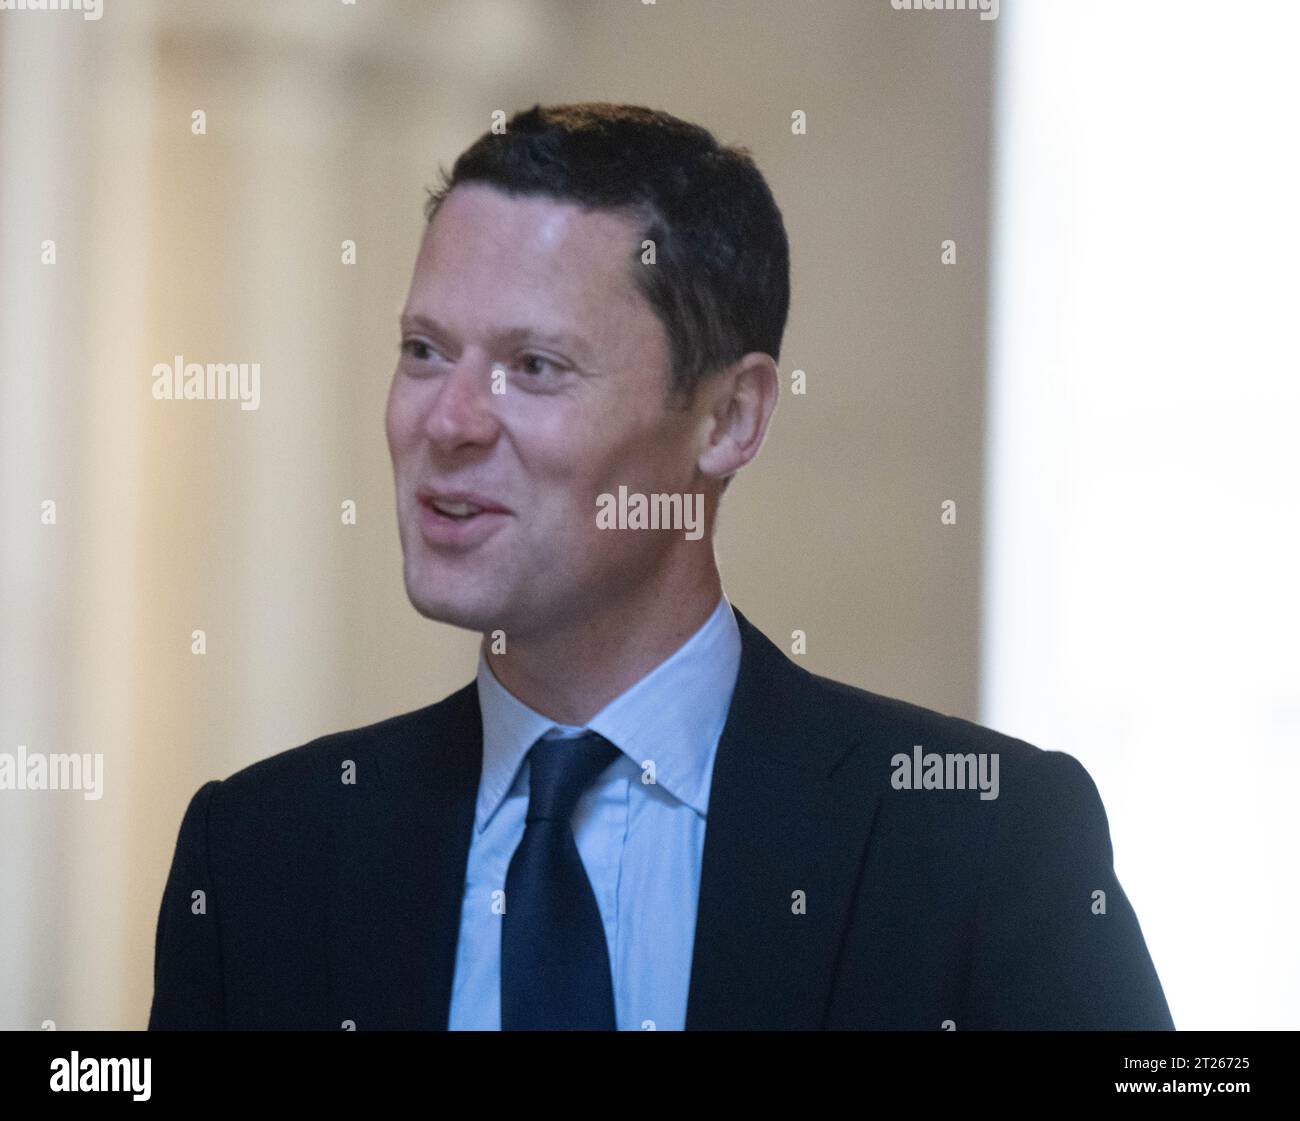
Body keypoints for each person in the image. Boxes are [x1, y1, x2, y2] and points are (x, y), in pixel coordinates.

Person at [148, 102, 1173, 1031]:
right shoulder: (260, 856)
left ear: (728, 418)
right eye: (424, 349)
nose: (447, 420)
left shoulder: (978, 842)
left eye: (534, 367)